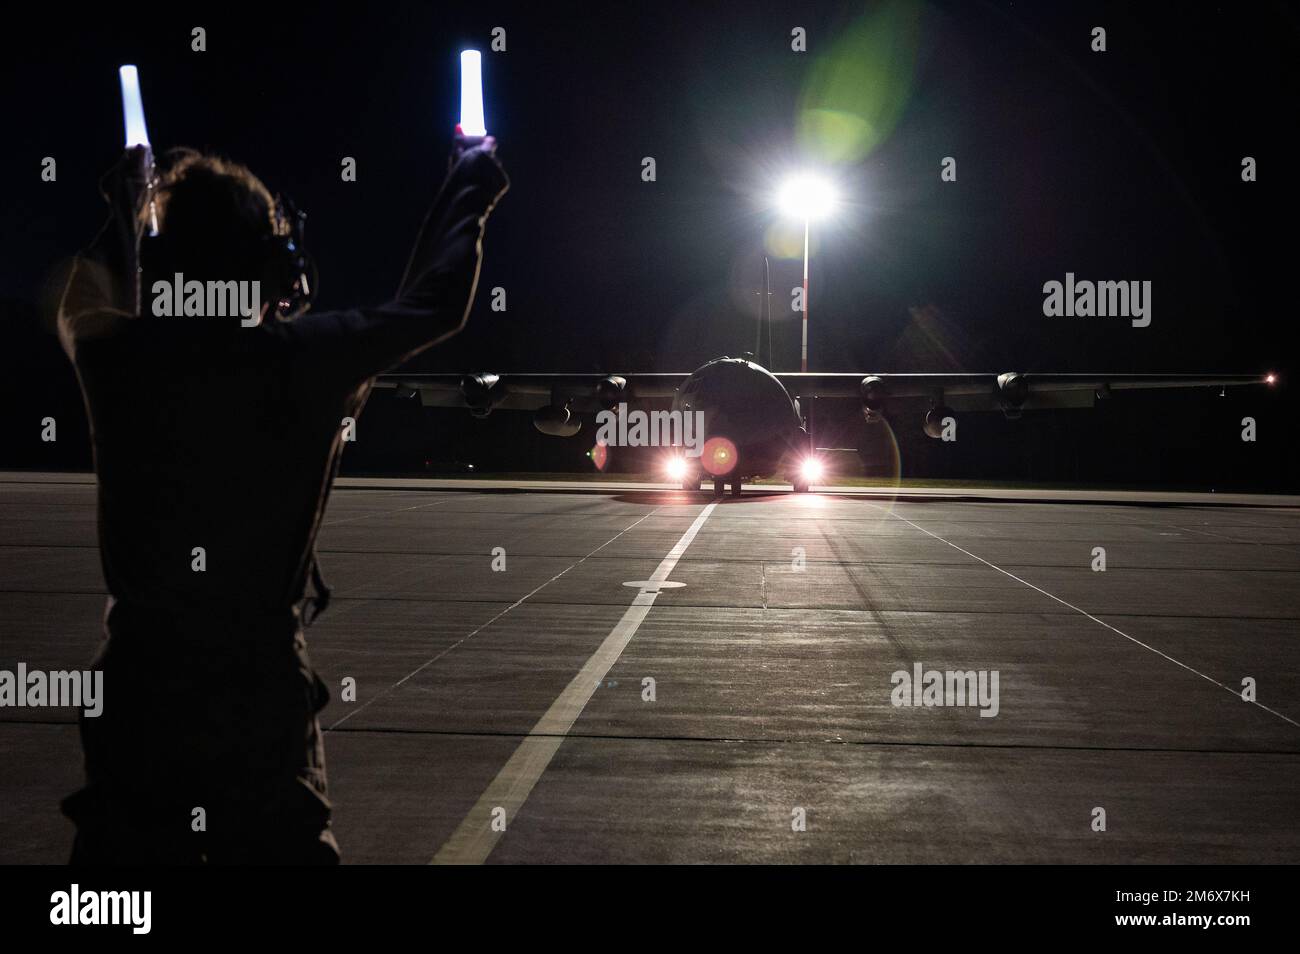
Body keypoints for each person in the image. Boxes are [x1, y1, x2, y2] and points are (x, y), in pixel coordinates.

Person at [56, 133, 508, 864]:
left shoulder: (115, 358)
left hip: (138, 687)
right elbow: (435, 302)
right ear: (270, 267)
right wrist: (470, 183)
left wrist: (123, 209)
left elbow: (84, 295)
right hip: (254, 688)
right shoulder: (304, 360)